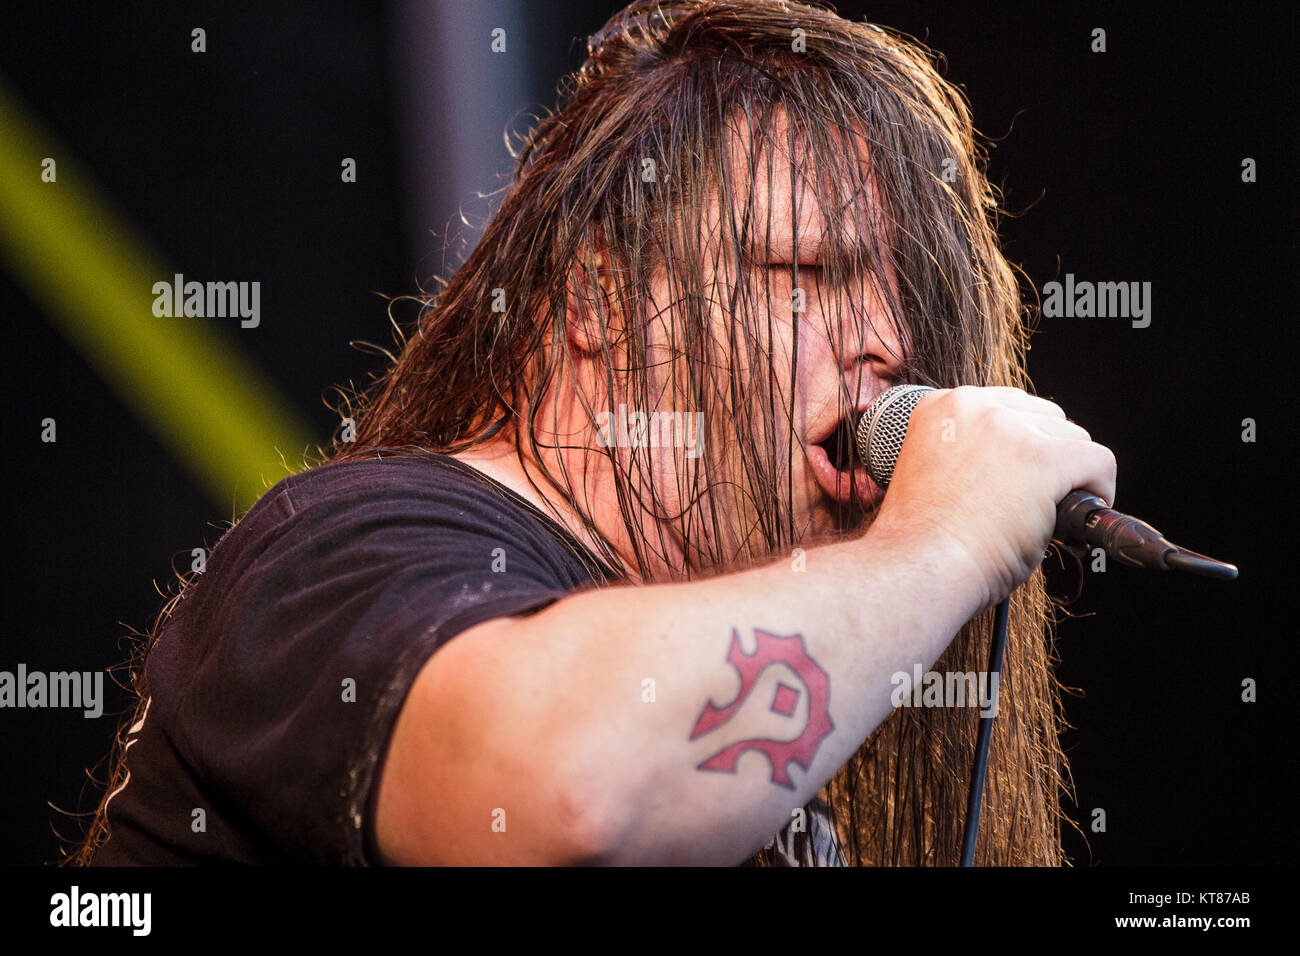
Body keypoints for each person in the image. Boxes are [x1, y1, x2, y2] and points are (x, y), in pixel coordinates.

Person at [73, 0, 1115, 866]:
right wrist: (943, 540)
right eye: (806, 273)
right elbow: (565, 784)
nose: (888, 341)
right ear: (598, 301)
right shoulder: (347, 548)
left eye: (903, 304)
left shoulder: (729, 740)